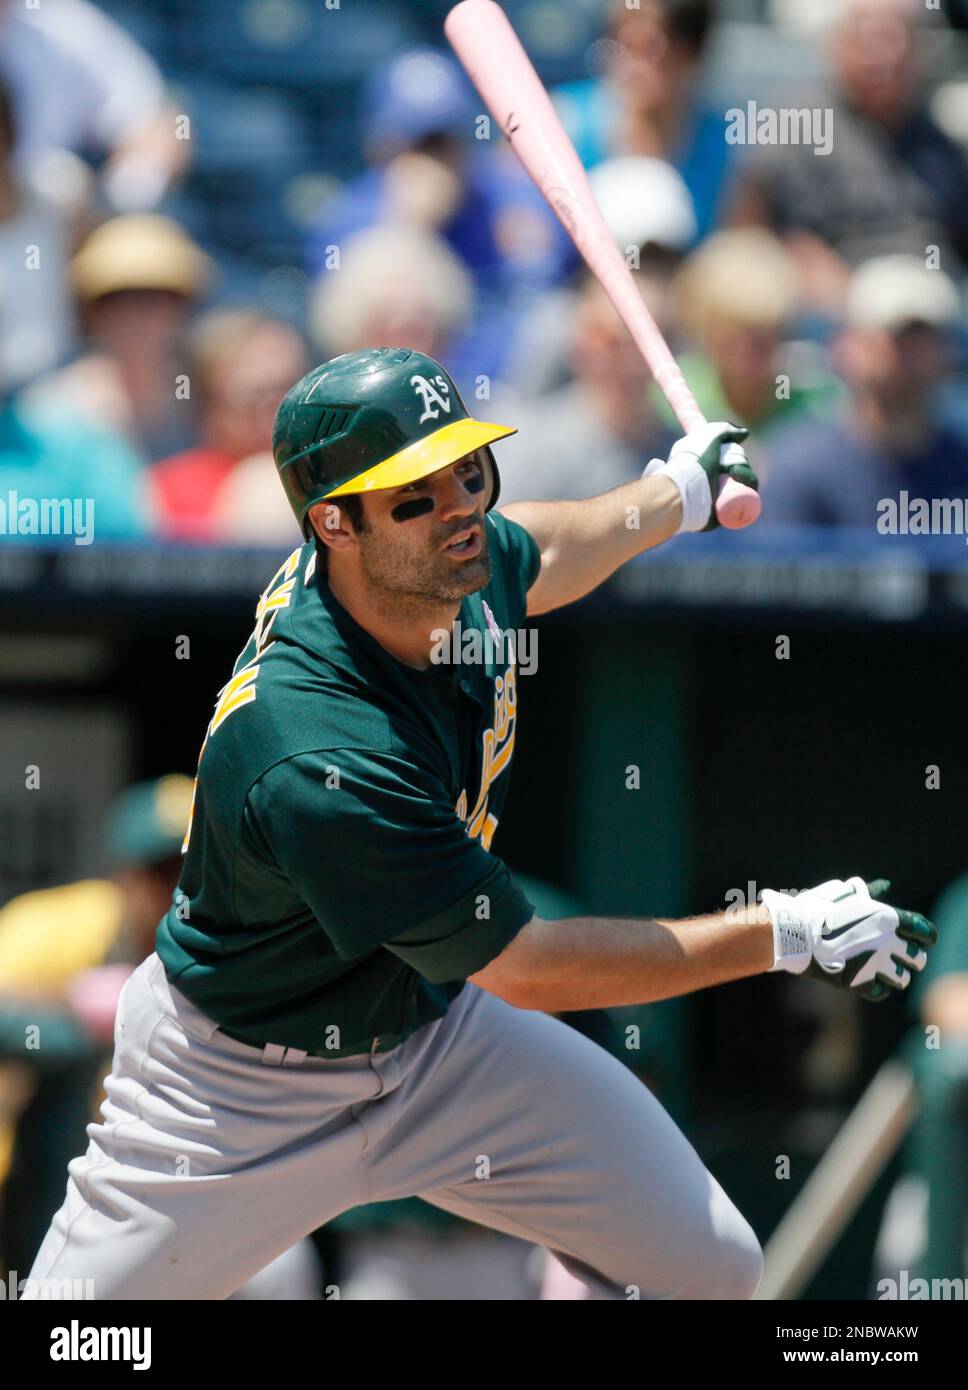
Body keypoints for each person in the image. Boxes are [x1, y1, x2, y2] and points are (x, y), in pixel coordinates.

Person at [25, 347, 935, 1300]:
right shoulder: (316, 750)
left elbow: (540, 549)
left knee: (711, 1266)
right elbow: (529, 968)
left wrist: (676, 492)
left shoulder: (431, 566)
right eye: (414, 494)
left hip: (432, 1040)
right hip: (237, 1085)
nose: (459, 508)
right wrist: (780, 932)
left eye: (468, 470)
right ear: (333, 524)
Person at [0, 776, 320, 1299]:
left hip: (197, 1188)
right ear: (122, 874)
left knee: (282, 1268)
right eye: (161, 870)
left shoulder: (246, 939)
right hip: (54, 1180)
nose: (180, 886)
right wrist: (78, 1012)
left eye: (195, 865)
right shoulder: (56, 926)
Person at [730, 0, 968, 315]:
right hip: (820, 317)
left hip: (927, 312)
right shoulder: (793, 125)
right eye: (867, 34)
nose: (882, 53)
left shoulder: (942, 141)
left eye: (895, 36)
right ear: (837, 43)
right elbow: (748, 237)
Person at [760, 255, 967, 528]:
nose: (911, 353)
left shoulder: (961, 466)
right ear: (848, 345)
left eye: (925, 337)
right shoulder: (800, 470)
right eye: (897, 337)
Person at [24, 215, 213, 463]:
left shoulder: (207, 393)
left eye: (156, 298)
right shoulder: (49, 411)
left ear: (183, 308)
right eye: (117, 300)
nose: (136, 316)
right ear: (91, 313)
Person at [553, 0, 733, 239]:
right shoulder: (560, 121)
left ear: (690, 50)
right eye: (621, 43)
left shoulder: (724, 144)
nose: (633, 63)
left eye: (651, 46)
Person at [0, 0, 189, 213]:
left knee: (145, 240)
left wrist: (124, 197)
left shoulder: (58, 23)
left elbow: (156, 119)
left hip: (50, 226)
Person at [151, 309, 308, 545]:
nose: (272, 414)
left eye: (287, 392)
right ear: (206, 407)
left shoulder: (332, 482)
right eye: (248, 397)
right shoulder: (163, 495)